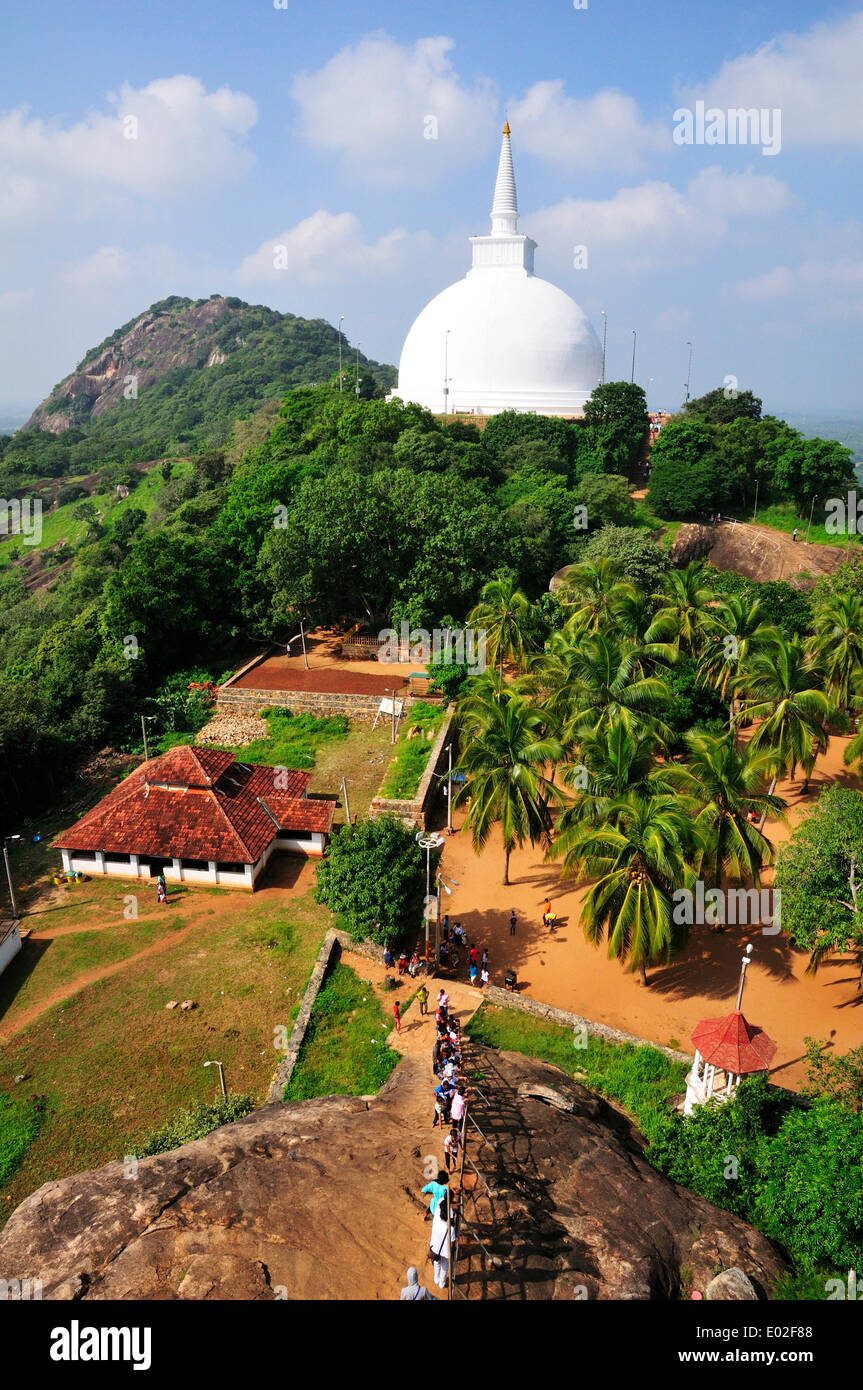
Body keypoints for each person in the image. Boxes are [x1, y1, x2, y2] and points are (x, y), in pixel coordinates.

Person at [429, 1203, 453, 1290]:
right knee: (445, 1266)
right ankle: (441, 1283)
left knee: (437, 1263)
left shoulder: (436, 1222)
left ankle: (436, 1278)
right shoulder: (450, 1228)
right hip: (445, 1250)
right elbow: (452, 1241)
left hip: (436, 1248)